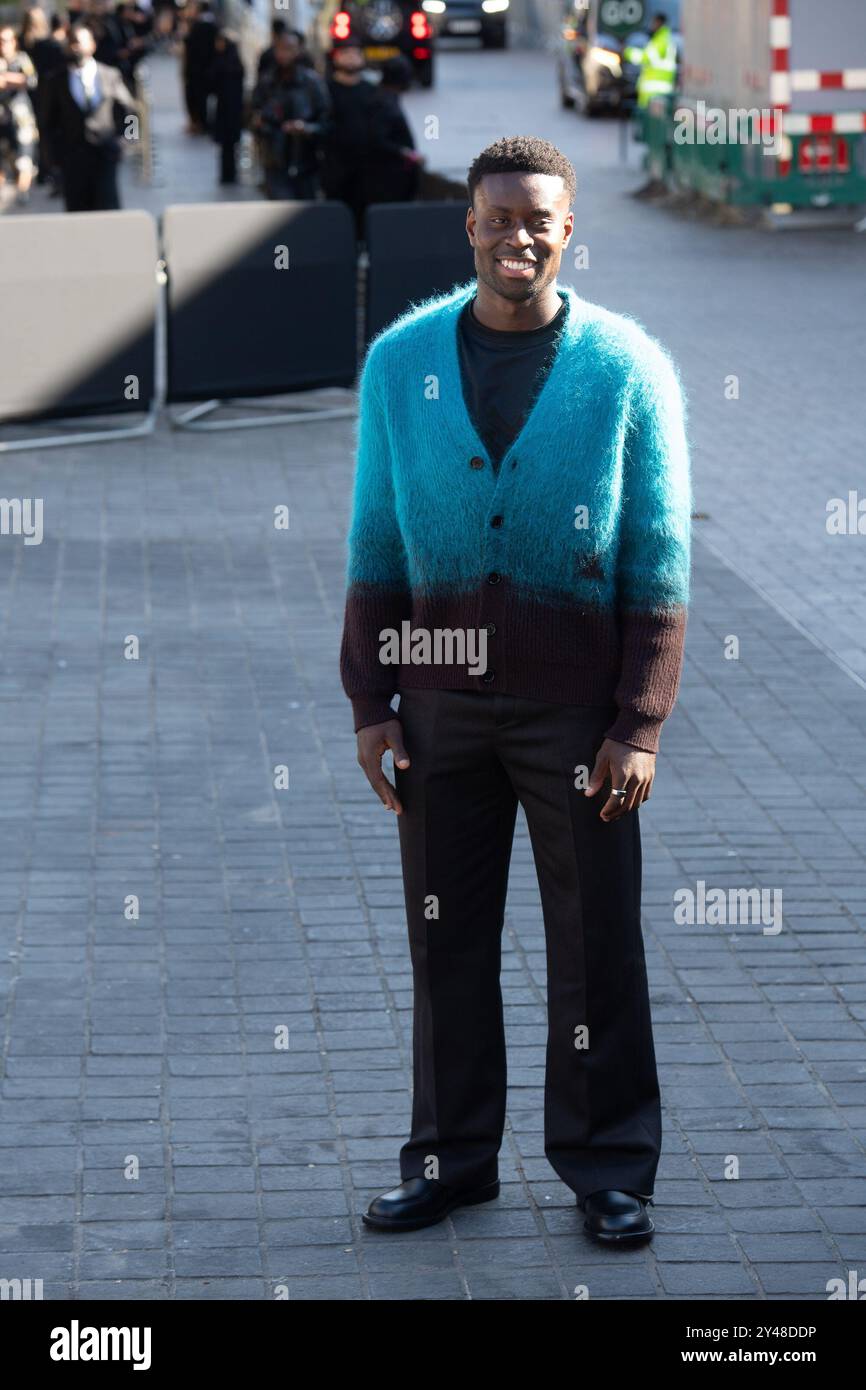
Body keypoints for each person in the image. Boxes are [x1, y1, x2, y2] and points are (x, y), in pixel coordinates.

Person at [340, 136, 691, 1244]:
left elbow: (656, 553)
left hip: (573, 712)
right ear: (470, 228)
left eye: (538, 220)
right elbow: (375, 540)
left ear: (566, 230)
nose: (517, 238)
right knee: (445, 937)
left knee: (593, 939)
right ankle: (448, 1160)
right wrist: (370, 700)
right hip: (437, 706)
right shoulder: (401, 365)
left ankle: (605, 1165)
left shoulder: (625, 368)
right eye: (497, 220)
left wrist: (637, 722)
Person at [41, 20, 138, 211]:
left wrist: (127, 143)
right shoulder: (55, 80)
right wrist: (52, 157)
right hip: (72, 159)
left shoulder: (110, 75)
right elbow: (47, 122)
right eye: (71, 42)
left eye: (80, 42)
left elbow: (130, 112)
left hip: (105, 155)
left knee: (107, 208)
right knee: (78, 214)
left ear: (92, 45)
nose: (75, 47)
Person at [250, 29, 330, 201]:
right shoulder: (267, 82)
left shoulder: (312, 83)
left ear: (299, 50)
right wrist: (263, 124)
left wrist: (306, 129)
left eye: (289, 48)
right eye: (280, 48)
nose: (284, 54)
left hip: (305, 161)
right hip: (275, 160)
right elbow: (254, 114)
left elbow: (326, 121)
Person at [321, 40, 378, 237]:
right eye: (347, 53)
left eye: (356, 53)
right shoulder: (325, 89)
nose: (352, 58)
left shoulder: (370, 90)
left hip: (365, 165)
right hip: (335, 164)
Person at [365, 54, 423, 209]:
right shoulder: (384, 103)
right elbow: (377, 139)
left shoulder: (384, 97)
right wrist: (404, 152)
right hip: (388, 177)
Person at [0, 25, 37, 202]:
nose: (3, 45)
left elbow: (31, 80)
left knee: (25, 154)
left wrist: (7, 79)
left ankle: (23, 190)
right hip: (1, 115)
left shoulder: (21, 59)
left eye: (6, 41)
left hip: (20, 114)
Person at [209, 25, 243, 185]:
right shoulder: (234, 63)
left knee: (227, 147)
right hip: (232, 110)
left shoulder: (223, 64)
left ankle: (228, 175)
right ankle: (229, 174)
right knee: (229, 147)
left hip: (227, 110)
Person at [182, 0, 216, 133]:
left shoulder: (200, 26)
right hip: (204, 69)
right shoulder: (211, 25)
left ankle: (199, 124)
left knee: (197, 98)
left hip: (197, 70)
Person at [636, 11, 676, 109]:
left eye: (653, 22)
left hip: (656, 92)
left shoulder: (661, 41)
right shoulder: (662, 39)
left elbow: (644, 57)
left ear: (659, 23)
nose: (651, 25)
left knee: (654, 120)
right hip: (657, 91)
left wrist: (626, 52)